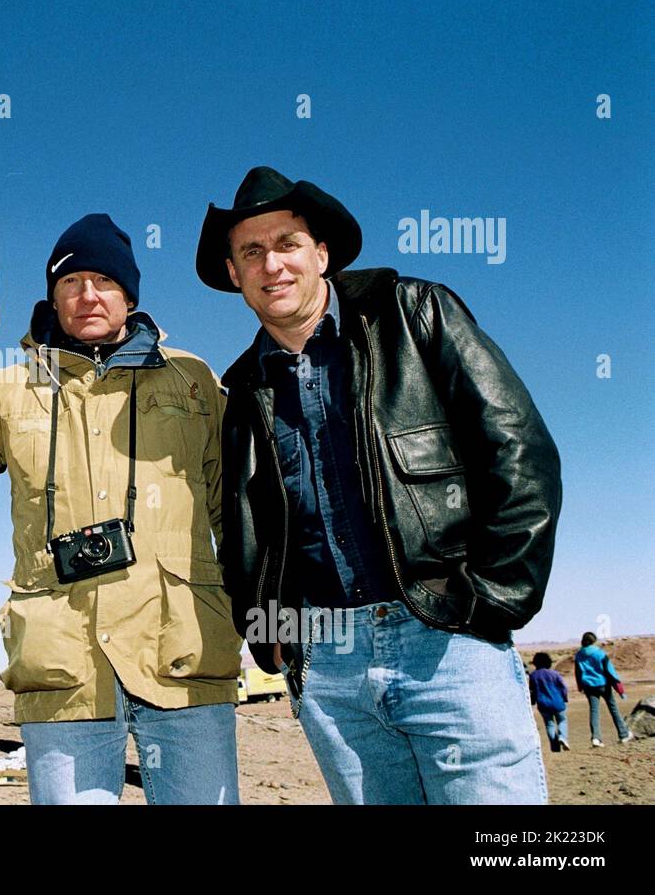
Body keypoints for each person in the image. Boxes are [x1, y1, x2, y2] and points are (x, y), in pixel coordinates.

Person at [197, 166, 563, 804]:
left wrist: (492, 600)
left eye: (287, 243)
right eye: (251, 252)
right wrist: (273, 638)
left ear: (322, 254)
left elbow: (519, 449)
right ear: (234, 274)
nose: (271, 265)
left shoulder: (415, 313)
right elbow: (244, 534)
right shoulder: (242, 392)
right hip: (328, 663)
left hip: (448, 641)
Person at [0, 213, 242, 804]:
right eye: (70, 283)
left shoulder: (192, 379)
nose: (87, 295)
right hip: (65, 665)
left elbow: (232, 507)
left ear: (129, 294)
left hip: (184, 654)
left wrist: (267, 608)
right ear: (52, 296)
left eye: (104, 281)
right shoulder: (8, 389)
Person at [573, 632, 634, 747]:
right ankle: (624, 734)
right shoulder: (600, 653)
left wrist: (580, 687)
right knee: (613, 709)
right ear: (593, 641)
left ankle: (596, 738)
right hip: (603, 685)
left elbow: (578, 673)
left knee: (594, 711)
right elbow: (610, 672)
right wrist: (620, 690)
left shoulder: (579, 655)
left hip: (588, 686)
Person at [528, 652, 570, 752]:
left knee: (549, 724)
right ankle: (563, 738)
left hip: (543, 704)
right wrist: (565, 698)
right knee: (562, 721)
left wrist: (533, 701)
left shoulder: (533, 676)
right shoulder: (554, 674)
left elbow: (532, 690)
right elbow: (563, 687)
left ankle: (555, 747)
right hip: (558, 702)